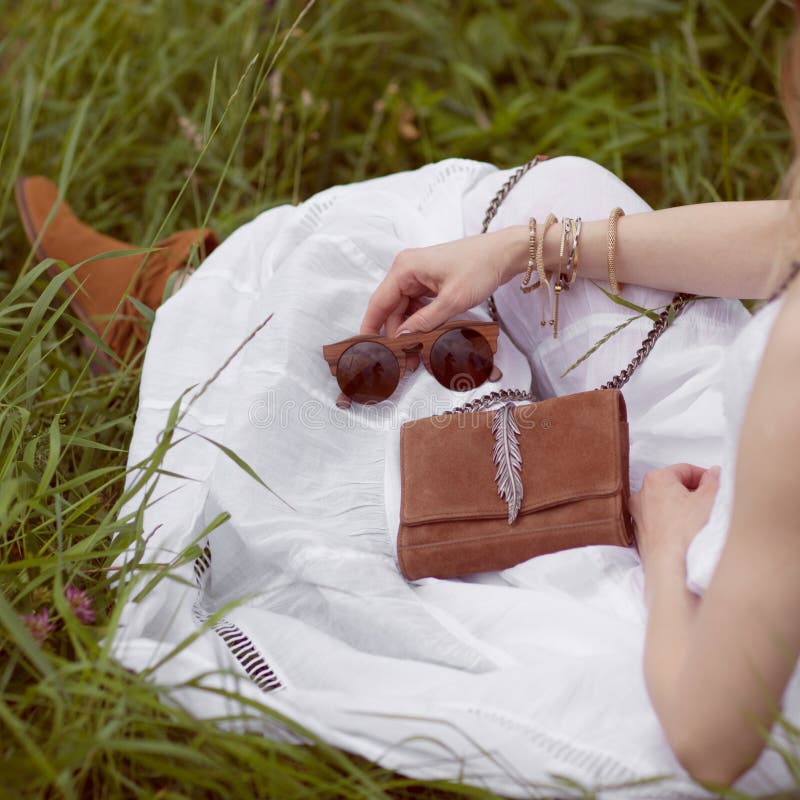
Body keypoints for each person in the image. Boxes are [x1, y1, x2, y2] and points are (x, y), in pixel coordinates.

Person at [15, 14, 800, 800]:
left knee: (417, 480)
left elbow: (709, 740)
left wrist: (666, 548)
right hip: (753, 487)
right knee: (550, 207)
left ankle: (181, 316)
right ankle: (235, 314)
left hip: (727, 635)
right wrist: (529, 245)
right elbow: (782, 241)